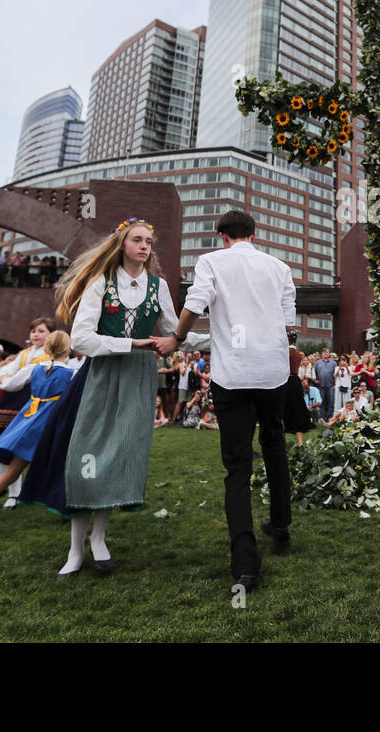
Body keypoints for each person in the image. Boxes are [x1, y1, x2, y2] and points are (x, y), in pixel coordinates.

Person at [19, 218, 197, 580]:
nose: (145, 246)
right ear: (122, 244)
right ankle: (74, 549)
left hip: (138, 379)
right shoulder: (101, 283)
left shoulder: (158, 285)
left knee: (117, 459)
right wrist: (133, 343)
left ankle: (99, 538)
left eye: (149, 241)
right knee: (87, 457)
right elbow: (82, 340)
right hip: (99, 377)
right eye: (137, 240)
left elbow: (173, 333)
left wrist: (220, 337)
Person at [156, 210, 295, 595]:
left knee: (237, 467)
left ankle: (245, 566)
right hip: (272, 372)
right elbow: (289, 326)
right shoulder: (280, 268)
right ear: (254, 234)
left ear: (222, 236)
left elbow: (196, 302)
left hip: (233, 375)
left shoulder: (211, 262)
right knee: (274, 444)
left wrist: (177, 338)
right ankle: (281, 525)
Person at [0, 331, 76, 538]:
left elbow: (8, 385)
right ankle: (67, 507)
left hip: (28, 421)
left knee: (12, 473)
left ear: (46, 349)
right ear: (68, 349)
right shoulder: (72, 373)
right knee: (66, 466)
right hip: (51, 426)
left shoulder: (33, 368)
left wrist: (5, 375)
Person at [0, 319, 56, 509]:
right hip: (16, 405)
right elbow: (6, 371)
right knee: (7, 448)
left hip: (35, 405)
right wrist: (5, 376)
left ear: (51, 334)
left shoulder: (50, 356)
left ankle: (17, 491)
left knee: (23, 450)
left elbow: (16, 378)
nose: (35, 334)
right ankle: (10, 492)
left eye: (41, 331)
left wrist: (5, 379)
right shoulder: (25, 354)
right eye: (33, 330)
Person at [283, 332, 314, 445]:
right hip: (296, 381)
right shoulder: (298, 353)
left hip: (286, 381)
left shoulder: (286, 352)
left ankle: (283, 439)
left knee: (284, 408)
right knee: (297, 408)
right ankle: (300, 442)